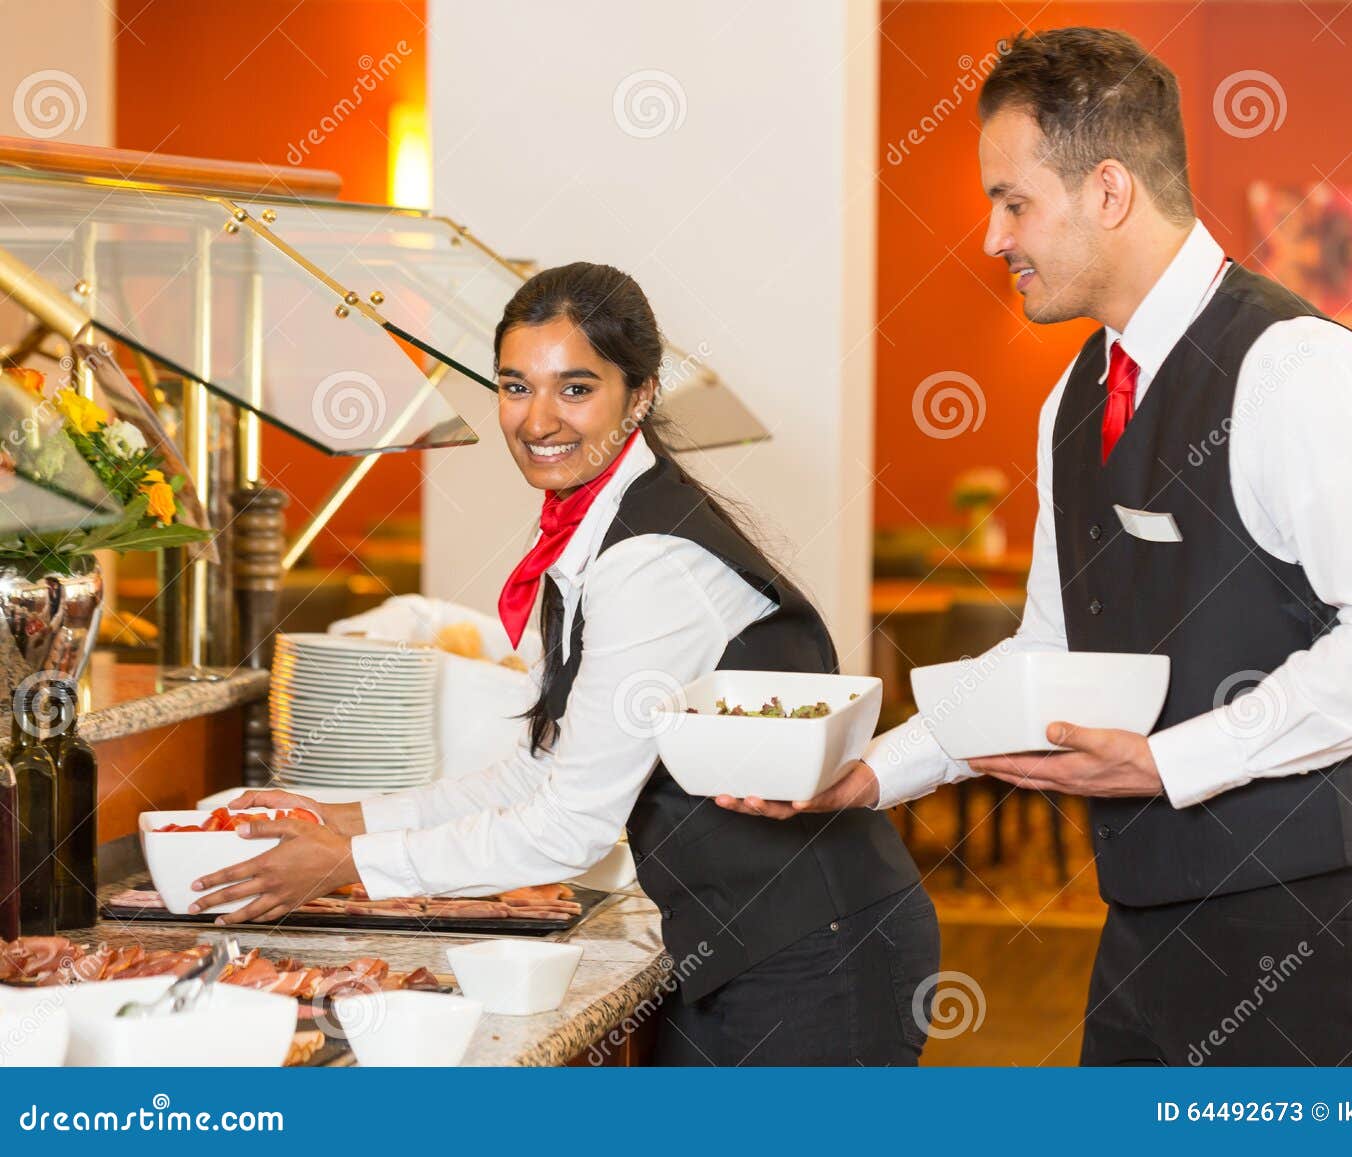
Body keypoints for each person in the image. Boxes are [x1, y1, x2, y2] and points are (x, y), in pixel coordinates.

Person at [722, 28, 1352, 1066]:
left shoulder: (1297, 370)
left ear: (1108, 190)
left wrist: (1170, 759)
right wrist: (869, 773)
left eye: (1012, 201)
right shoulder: (1076, 392)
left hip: (1298, 926)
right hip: (1138, 918)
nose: (991, 236)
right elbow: (1046, 651)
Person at [194, 262, 939, 1066]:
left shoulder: (651, 561)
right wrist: (341, 817)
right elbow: (534, 773)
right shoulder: (592, 536)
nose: (538, 418)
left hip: (820, 953)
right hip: (751, 944)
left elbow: (569, 827)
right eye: (516, 386)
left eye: (575, 388)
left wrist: (346, 865)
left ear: (641, 393)